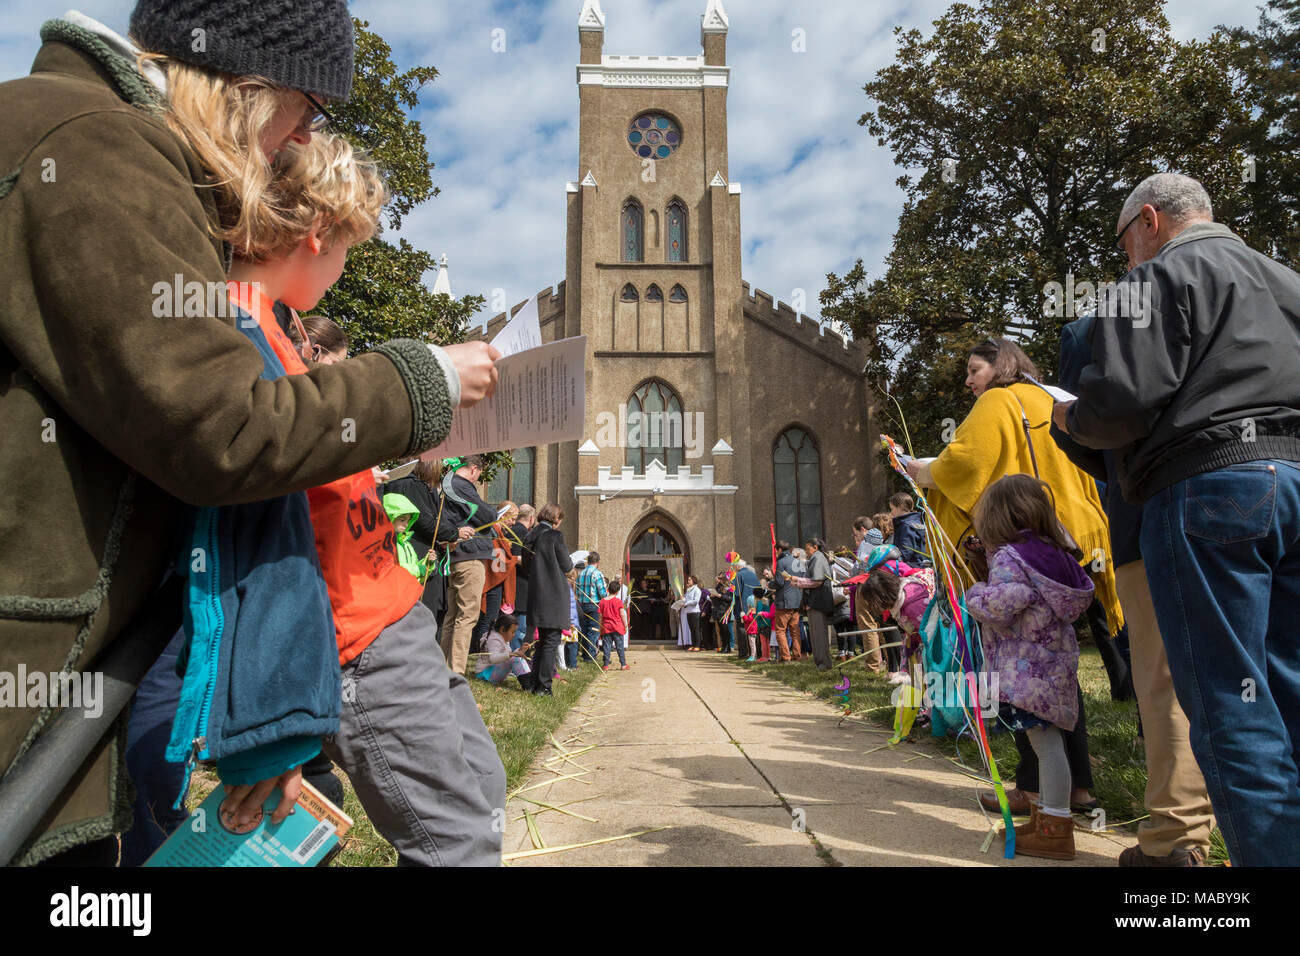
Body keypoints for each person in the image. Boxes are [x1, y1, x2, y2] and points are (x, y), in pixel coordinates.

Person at [0, 2, 501, 866]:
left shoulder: (83, 135)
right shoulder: (97, 147)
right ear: (247, 85)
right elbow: (222, 430)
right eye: (303, 113)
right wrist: (424, 380)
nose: (293, 144)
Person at [220, 131, 506, 865]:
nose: (345, 269)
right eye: (349, 248)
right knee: (458, 843)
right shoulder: (235, 328)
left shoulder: (276, 327)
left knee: (484, 786)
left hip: (392, 609)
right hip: (356, 642)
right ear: (318, 234)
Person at [1058, 172, 1300, 866]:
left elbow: (1122, 401)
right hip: (1294, 485)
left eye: (1125, 240)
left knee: (1230, 707)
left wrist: (1071, 415)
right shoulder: (1286, 281)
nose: (1127, 255)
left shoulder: (1155, 279)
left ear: (1150, 222)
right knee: (1286, 687)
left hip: (1209, 489)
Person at [910, 336, 1112, 814]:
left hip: (1019, 540)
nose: (968, 381)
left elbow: (963, 464)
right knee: (1058, 672)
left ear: (998, 368)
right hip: (1068, 536)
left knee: (1018, 672)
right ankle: (1077, 787)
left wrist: (921, 471)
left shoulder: (998, 399)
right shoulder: (1051, 397)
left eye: (974, 370)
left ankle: (1035, 788)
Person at [1051, 313, 1212, 866]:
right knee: (1268, 672)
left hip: (1157, 506)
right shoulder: (1278, 289)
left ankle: (1178, 840)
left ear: (1146, 222)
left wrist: (1065, 419)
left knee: (1168, 679)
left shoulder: (1102, 323)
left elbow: (1088, 429)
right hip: (1278, 487)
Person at [965, 476, 1096, 860]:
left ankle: (1055, 829)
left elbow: (1007, 602)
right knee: (1049, 743)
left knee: (1047, 745)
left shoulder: (1011, 555)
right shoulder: (1053, 552)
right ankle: (1046, 820)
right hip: (1052, 666)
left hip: (1026, 670)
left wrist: (974, 594)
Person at [436, 456, 496, 674]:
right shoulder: (461, 485)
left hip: (456, 556)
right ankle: (456, 672)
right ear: (473, 468)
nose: (478, 479)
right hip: (469, 557)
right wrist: (493, 513)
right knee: (466, 617)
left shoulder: (446, 484)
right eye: (479, 474)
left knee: (453, 617)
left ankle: (444, 669)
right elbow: (486, 514)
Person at [518, 504, 573, 696]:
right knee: (551, 641)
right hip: (553, 594)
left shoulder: (530, 535)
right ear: (556, 518)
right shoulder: (554, 536)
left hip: (536, 593)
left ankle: (534, 682)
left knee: (542, 640)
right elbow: (567, 564)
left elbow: (524, 567)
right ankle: (544, 686)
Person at [473, 501, 519, 659]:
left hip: (496, 583)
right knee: (487, 620)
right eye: (512, 518)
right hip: (492, 583)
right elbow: (497, 562)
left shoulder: (501, 533)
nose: (513, 523)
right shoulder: (494, 531)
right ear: (504, 515)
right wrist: (514, 559)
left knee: (490, 620)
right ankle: (480, 655)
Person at [476, 614, 532, 687]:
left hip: (489, 673)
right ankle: (528, 685)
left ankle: (529, 681)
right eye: (512, 632)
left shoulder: (502, 638)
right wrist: (512, 655)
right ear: (502, 629)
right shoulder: (494, 639)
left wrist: (521, 650)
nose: (514, 635)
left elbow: (508, 656)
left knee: (515, 658)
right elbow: (493, 659)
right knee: (515, 659)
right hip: (485, 676)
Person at [510, 505, 538, 649]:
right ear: (531, 518)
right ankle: (518, 660)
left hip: (507, 584)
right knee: (520, 628)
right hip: (521, 585)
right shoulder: (524, 534)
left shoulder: (508, 530)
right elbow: (517, 557)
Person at [771, 542, 803, 662]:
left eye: (776, 551)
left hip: (784, 601)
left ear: (779, 549)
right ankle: (797, 654)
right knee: (795, 630)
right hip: (796, 600)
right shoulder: (798, 561)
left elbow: (779, 583)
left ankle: (785, 656)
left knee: (780, 630)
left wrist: (769, 584)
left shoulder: (781, 562)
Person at [576, 552, 607, 663]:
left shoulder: (581, 573)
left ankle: (585, 655)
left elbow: (577, 590)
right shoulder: (597, 573)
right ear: (597, 562)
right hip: (594, 605)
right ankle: (590, 656)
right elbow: (602, 593)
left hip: (582, 605)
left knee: (584, 630)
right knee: (593, 631)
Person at [889, 493, 930, 566]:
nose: (891, 513)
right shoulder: (916, 522)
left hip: (911, 567)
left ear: (900, 507)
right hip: (920, 564)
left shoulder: (906, 526)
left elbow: (905, 552)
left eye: (892, 509)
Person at [599, 578, 631, 670]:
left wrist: (600, 626)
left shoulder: (602, 601)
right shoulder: (618, 601)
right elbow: (622, 614)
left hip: (606, 627)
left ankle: (605, 664)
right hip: (617, 626)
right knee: (619, 646)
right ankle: (623, 664)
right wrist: (625, 625)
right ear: (617, 591)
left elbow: (600, 616)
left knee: (606, 647)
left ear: (608, 590)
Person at [679, 575, 702, 652]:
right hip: (688, 612)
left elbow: (696, 601)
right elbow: (686, 599)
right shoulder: (688, 590)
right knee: (691, 629)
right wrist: (683, 599)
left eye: (689, 580)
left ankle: (697, 645)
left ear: (693, 581)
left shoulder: (697, 590)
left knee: (696, 629)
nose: (688, 581)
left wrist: (686, 603)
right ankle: (693, 645)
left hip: (695, 611)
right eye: (688, 580)